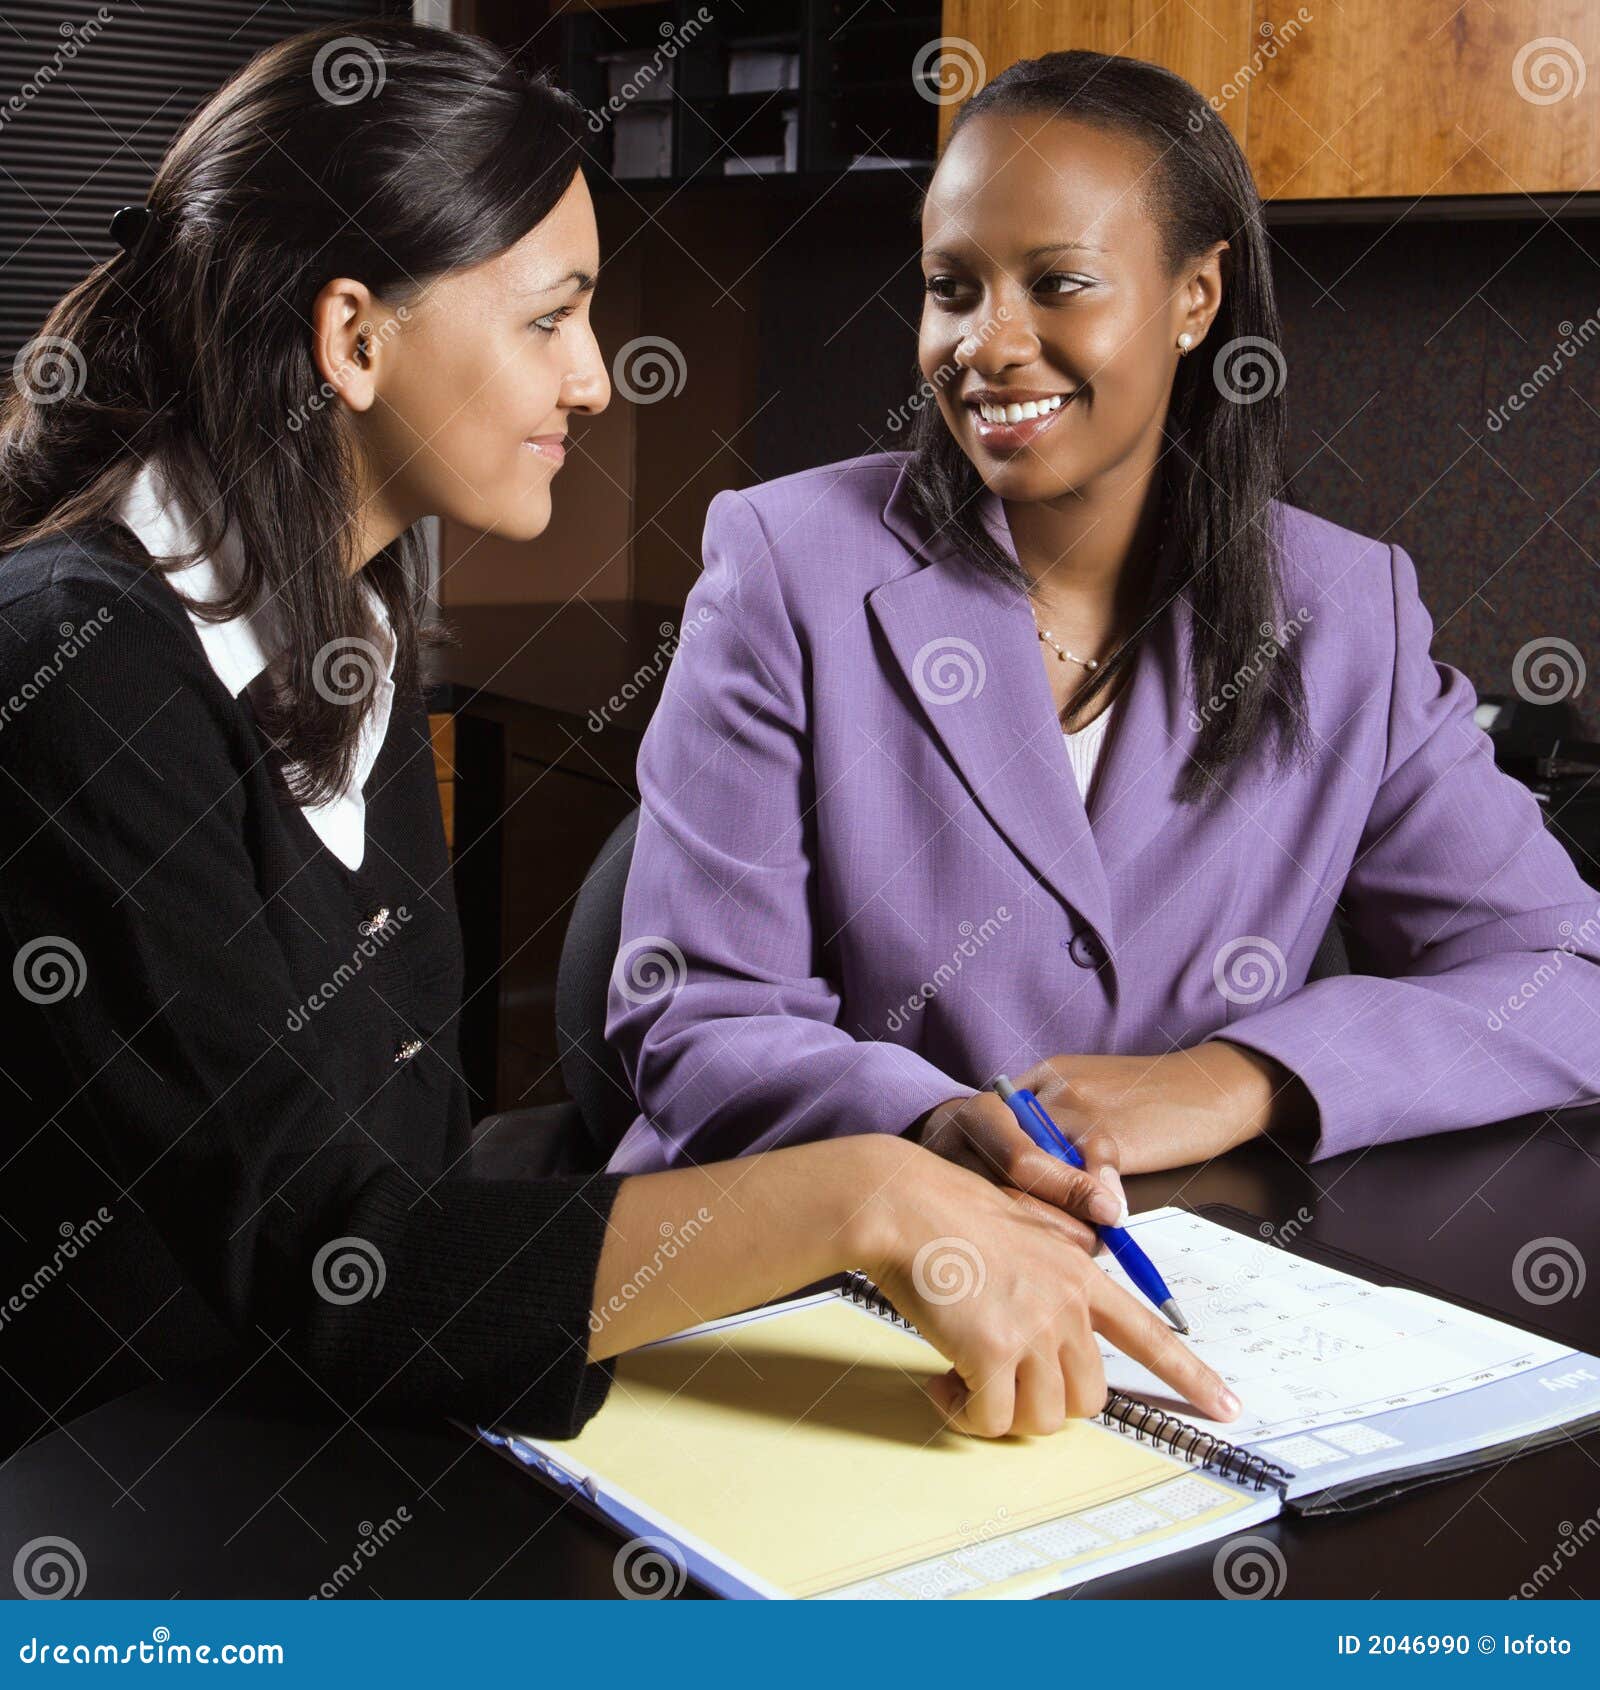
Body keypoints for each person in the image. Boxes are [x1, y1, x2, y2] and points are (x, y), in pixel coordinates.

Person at [0, 23, 1235, 1461]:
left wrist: (903, 1172)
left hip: (297, 1455)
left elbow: (402, 1185)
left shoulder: (355, 635)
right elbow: (325, 1262)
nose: (595, 379)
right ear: (353, 337)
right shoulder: (72, 664)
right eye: (549, 318)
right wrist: (862, 1198)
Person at [605, 49, 1600, 1218]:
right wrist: (931, 1124)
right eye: (951, 286)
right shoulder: (786, 562)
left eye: (1060, 282)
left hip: (1174, 1270)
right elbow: (698, 1011)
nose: (987, 340)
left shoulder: (1342, 611)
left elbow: (1563, 975)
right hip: (812, 1253)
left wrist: (1235, 1077)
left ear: (1195, 298)